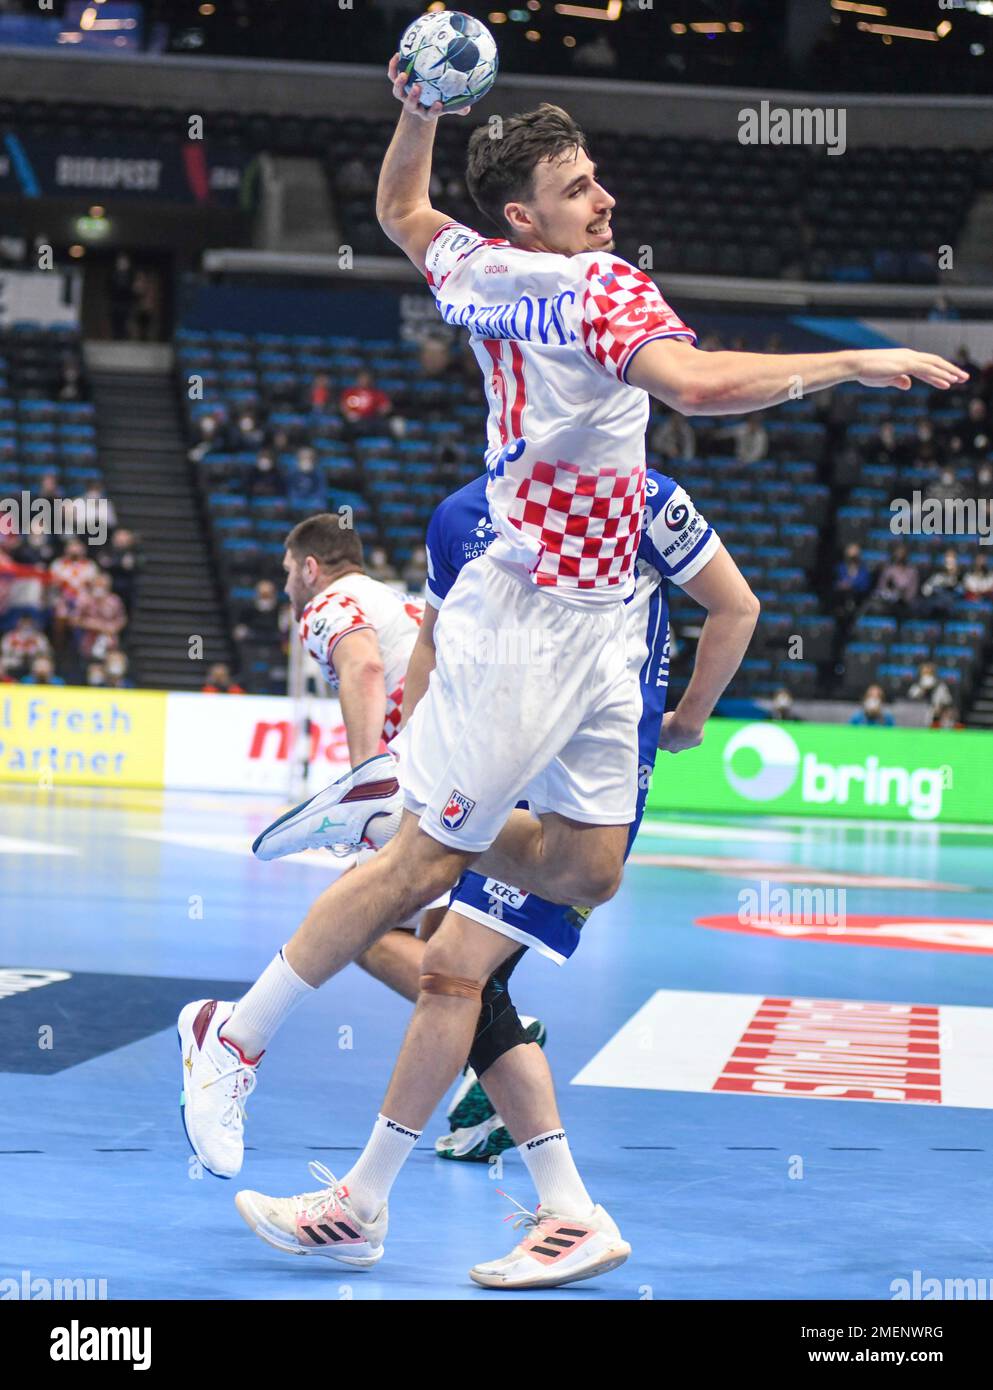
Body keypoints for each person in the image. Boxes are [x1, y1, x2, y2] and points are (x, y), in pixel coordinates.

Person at [176, 74, 966, 1286]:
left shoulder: (484, 267)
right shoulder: (600, 288)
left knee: (586, 868)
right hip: (529, 615)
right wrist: (853, 360)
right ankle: (234, 1035)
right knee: (425, 874)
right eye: (577, 188)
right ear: (529, 222)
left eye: (597, 177)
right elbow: (697, 388)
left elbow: (398, 208)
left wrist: (419, 104)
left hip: (610, 623)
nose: (606, 198)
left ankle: (413, 809)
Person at [870, 543, 918, 617]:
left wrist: (904, 597)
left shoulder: (912, 571)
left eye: (902, 553)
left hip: (905, 603)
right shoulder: (888, 570)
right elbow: (881, 587)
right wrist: (889, 594)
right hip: (888, 602)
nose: (900, 556)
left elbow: (912, 591)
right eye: (898, 553)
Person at [921, 547, 963, 617]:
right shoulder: (938, 576)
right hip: (936, 609)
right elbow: (925, 590)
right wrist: (936, 588)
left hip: (951, 609)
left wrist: (953, 582)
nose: (950, 563)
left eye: (952, 560)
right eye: (948, 559)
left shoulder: (960, 576)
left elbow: (961, 591)